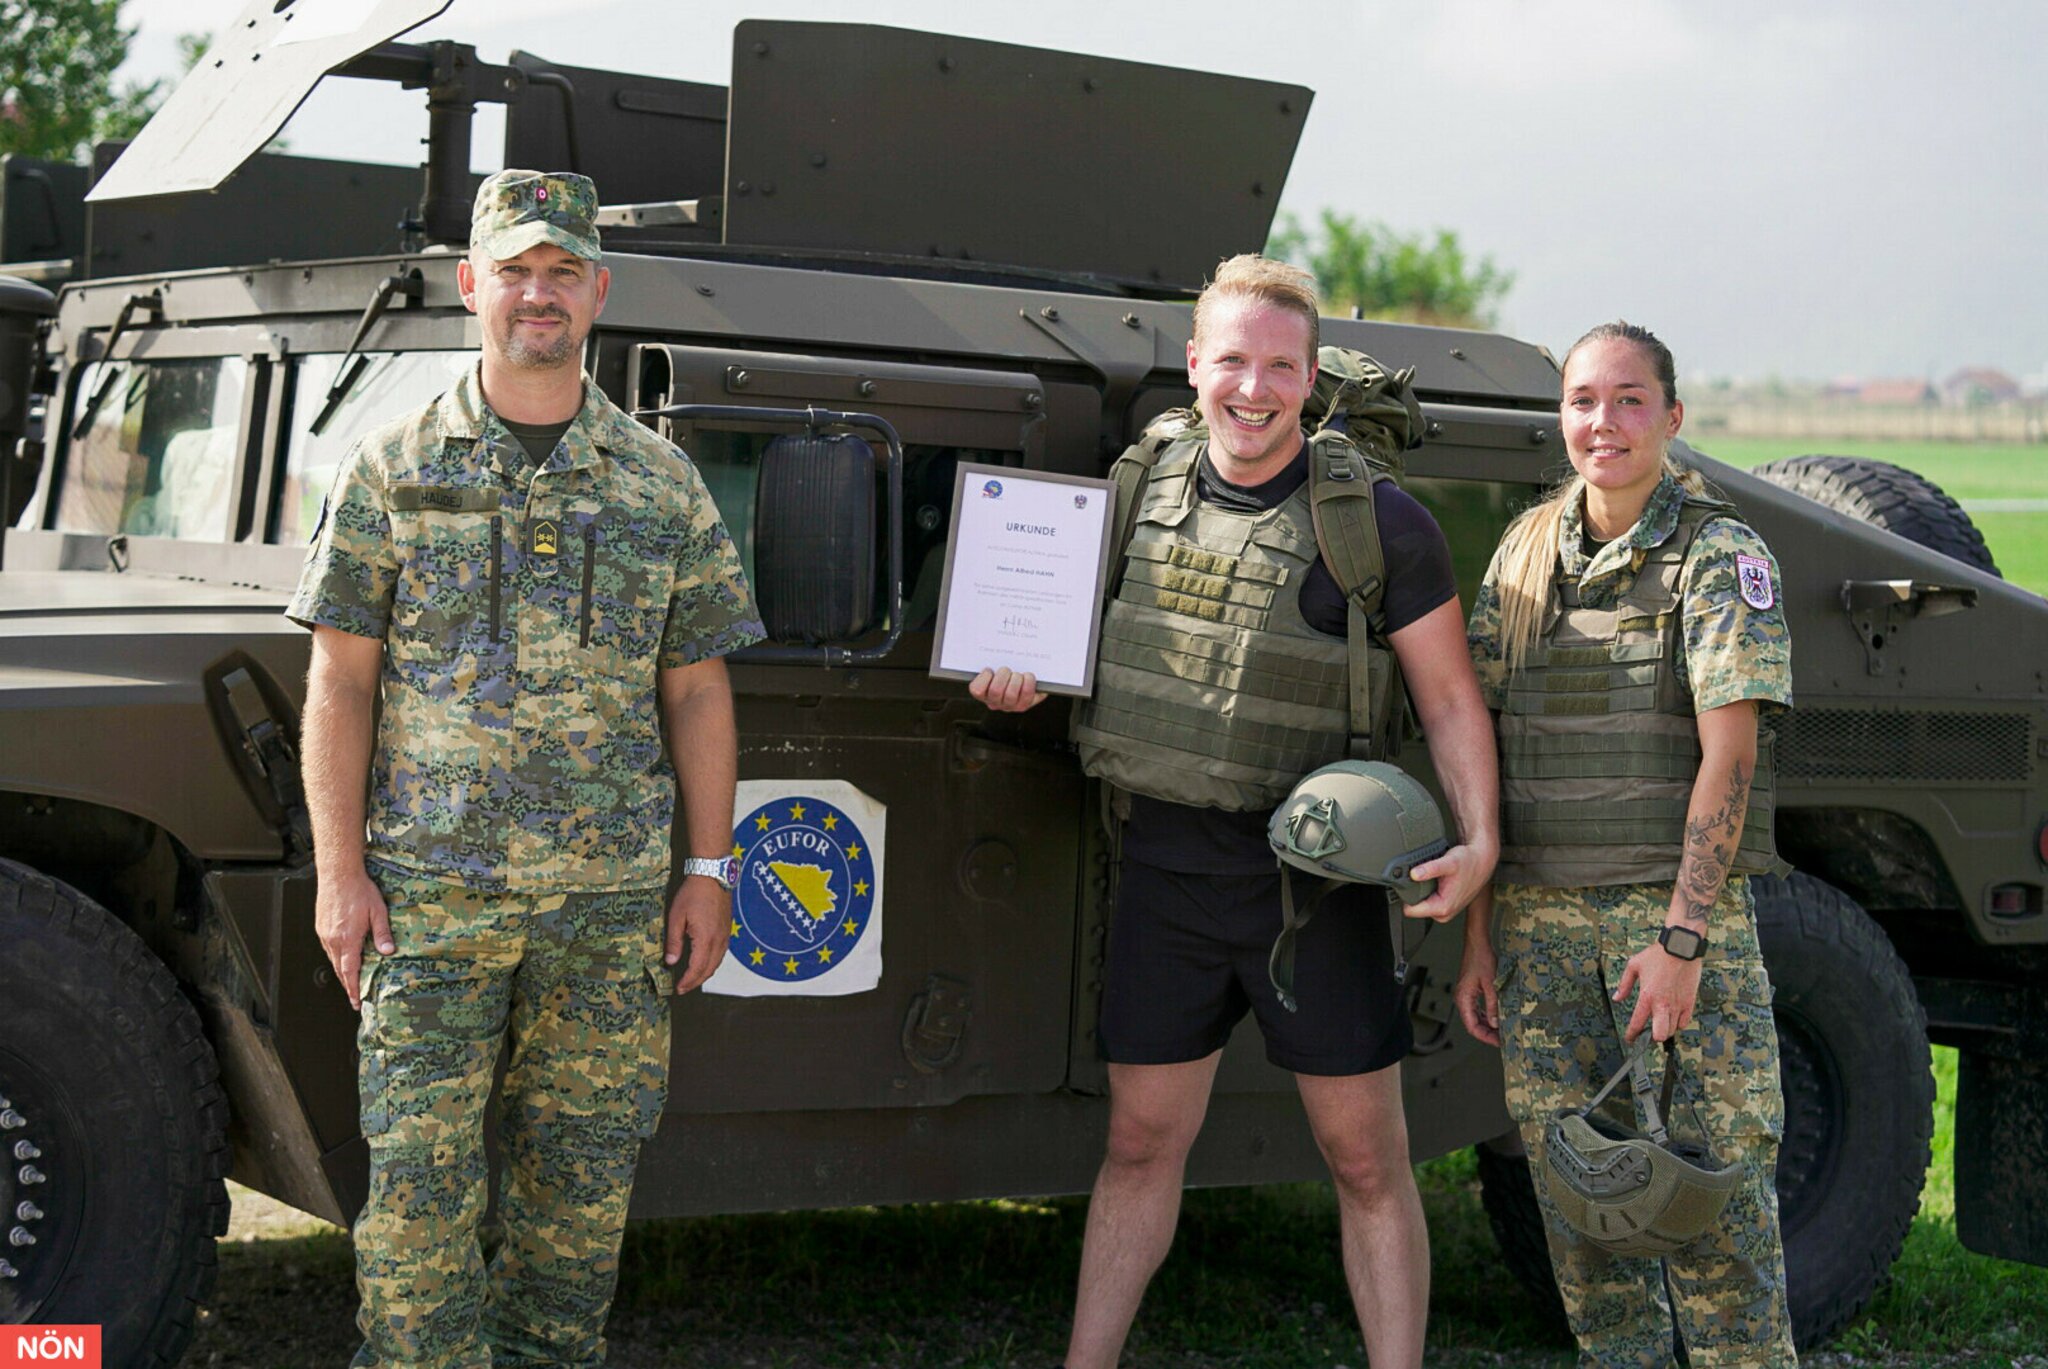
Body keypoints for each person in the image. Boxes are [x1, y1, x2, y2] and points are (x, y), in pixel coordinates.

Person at [976, 255, 1499, 1369]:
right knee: (1137, 1144)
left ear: (1309, 376)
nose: (1250, 389)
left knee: (1364, 1161)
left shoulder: (1376, 524)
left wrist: (1479, 840)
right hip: (1161, 866)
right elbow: (1063, 635)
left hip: (1312, 889)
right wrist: (1011, 667)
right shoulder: (1138, 486)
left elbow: (1448, 699)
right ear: (1192, 365)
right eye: (1230, 361)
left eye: (1276, 366)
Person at [289, 169, 765, 1368]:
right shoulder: (392, 466)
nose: (537, 295)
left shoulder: (658, 483)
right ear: (470, 286)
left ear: (598, 291)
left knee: (576, 1217)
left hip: (606, 917)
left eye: (561, 272)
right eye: (514, 270)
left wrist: (709, 869)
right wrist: (339, 875)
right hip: (427, 909)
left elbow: (698, 686)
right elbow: (339, 681)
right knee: (412, 1216)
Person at [1454, 321, 1798, 1367]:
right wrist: (1478, 937)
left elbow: (1726, 760)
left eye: (1627, 399)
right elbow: (1491, 758)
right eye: (1580, 401)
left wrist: (1684, 940)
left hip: (1666, 931)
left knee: (1713, 1207)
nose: (1600, 422)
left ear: (1671, 417)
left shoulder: (1715, 552)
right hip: (1534, 930)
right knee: (1582, 1212)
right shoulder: (1519, 556)